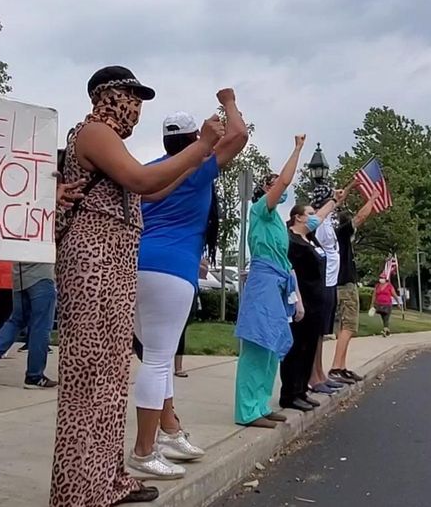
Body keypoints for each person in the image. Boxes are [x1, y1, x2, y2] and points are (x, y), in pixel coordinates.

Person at [51, 66, 224, 507]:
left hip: (116, 261)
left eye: (138, 98)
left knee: (111, 378)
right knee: (89, 378)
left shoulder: (114, 143)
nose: (135, 106)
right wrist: (202, 145)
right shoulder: (94, 133)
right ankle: (77, 490)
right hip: (92, 260)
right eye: (128, 95)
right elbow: (142, 180)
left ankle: (108, 480)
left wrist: (191, 166)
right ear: (103, 96)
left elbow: (153, 192)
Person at [127, 92, 248, 481]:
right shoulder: (199, 166)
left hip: (136, 265)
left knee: (153, 358)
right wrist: (228, 102)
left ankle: (169, 430)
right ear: (194, 138)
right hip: (173, 269)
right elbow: (240, 135)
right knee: (160, 360)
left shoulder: (150, 170)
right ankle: (145, 451)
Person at [233, 135, 306, 429]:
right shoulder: (261, 210)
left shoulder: (276, 220)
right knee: (257, 344)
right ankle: (247, 410)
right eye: (274, 183)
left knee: (271, 346)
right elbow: (285, 182)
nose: (280, 186)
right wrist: (297, 149)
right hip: (263, 283)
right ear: (266, 189)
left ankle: (261, 404)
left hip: (276, 284)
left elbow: (313, 222)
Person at [0, 260, 59, 390]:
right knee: (40, 326)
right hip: (41, 276)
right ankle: (34, 376)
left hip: (19, 278)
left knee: (16, 321)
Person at [279, 204, 329, 412]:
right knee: (296, 347)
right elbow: (290, 272)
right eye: (309, 214)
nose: (313, 218)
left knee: (309, 346)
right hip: (302, 301)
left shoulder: (311, 239)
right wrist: (297, 300)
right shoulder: (292, 241)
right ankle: (289, 393)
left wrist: (335, 201)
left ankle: (302, 390)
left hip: (318, 301)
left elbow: (323, 216)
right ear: (298, 218)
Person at [328, 201, 375, 383]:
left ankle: (341, 365)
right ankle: (336, 368)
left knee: (342, 327)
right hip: (346, 286)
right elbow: (360, 217)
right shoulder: (342, 234)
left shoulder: (334, 238)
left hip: (337, 286)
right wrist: (372, 199)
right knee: (348, 326)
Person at [308, 189, 348, 397]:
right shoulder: (319, 223)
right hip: (323, 282)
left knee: (322, 332)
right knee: (316, 333)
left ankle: (320, 373)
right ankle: (313, 376)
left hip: (331, 282)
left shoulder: (328, 222)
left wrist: (339, 197)